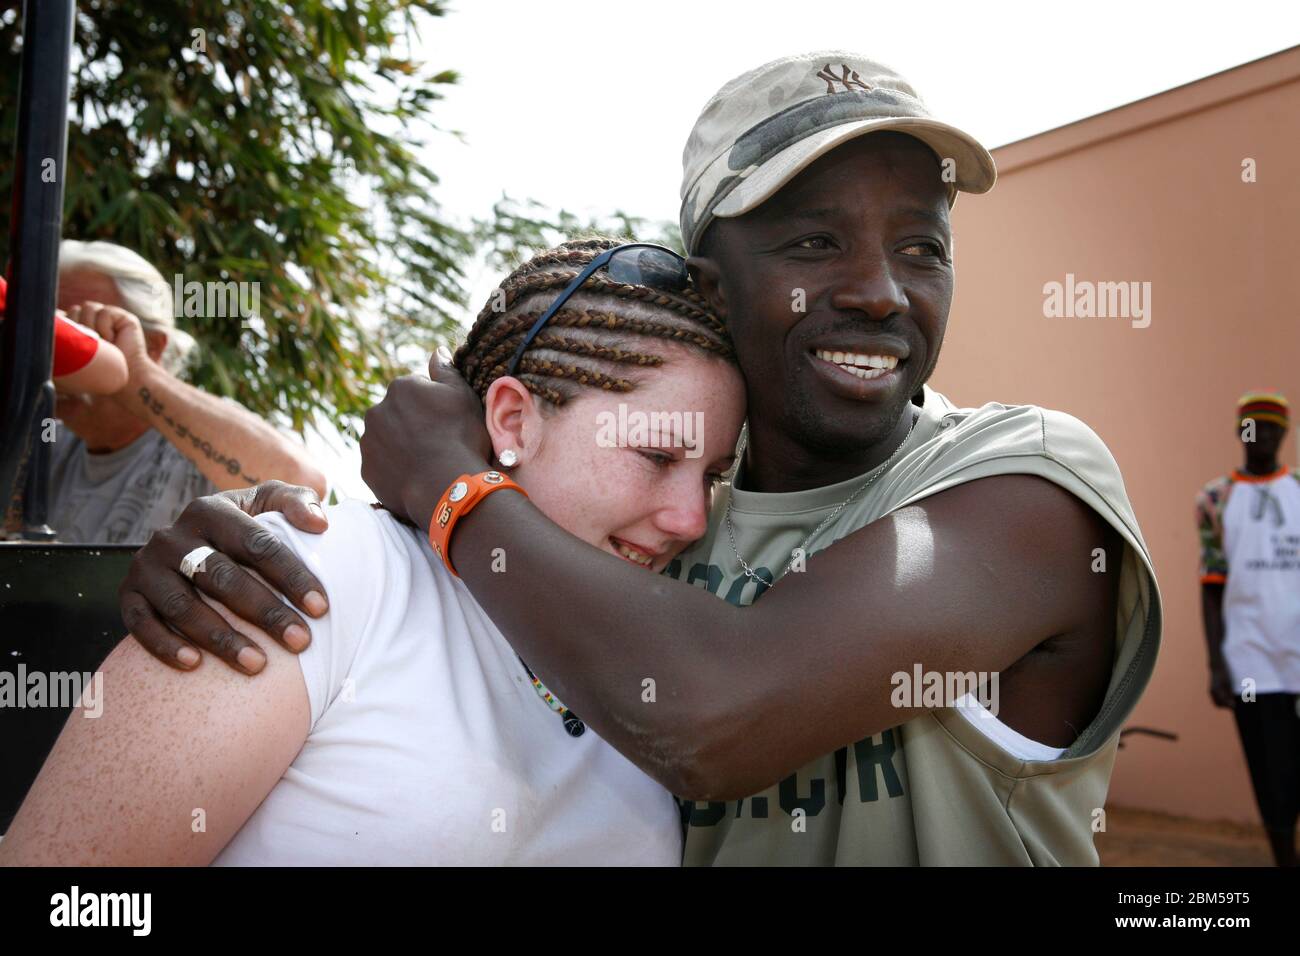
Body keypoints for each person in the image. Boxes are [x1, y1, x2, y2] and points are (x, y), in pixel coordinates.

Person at [118, 52, 1161, 865]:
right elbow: (416, 564)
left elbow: (710, 710)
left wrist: (447, 480)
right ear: (710, 288)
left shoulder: (1026, 483)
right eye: (812, 243)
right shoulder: (654, 487)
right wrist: (251, 544)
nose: (881, 290)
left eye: (922, 246)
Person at [0, 239, 747, 865]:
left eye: (714, 475)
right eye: (655, 455)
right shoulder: (314, 577)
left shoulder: (657, 663)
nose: (689, 517)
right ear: (513, 419)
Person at [45, 240, 326, 544]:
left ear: (152, 345)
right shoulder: (48, 442)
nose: (56, 357)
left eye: (82, 335)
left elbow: (303, 490)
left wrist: (137, 377)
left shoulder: (204, 436)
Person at [1197, 391, 1298, 867]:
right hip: (1251, 661)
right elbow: (1212, 585)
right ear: (1242, 432)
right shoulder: (1216, 499)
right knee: (1268, 767)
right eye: (1254, 426)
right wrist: (1217, 664)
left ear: (1285, 433)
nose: (1263, 436)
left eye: (1273, 427)